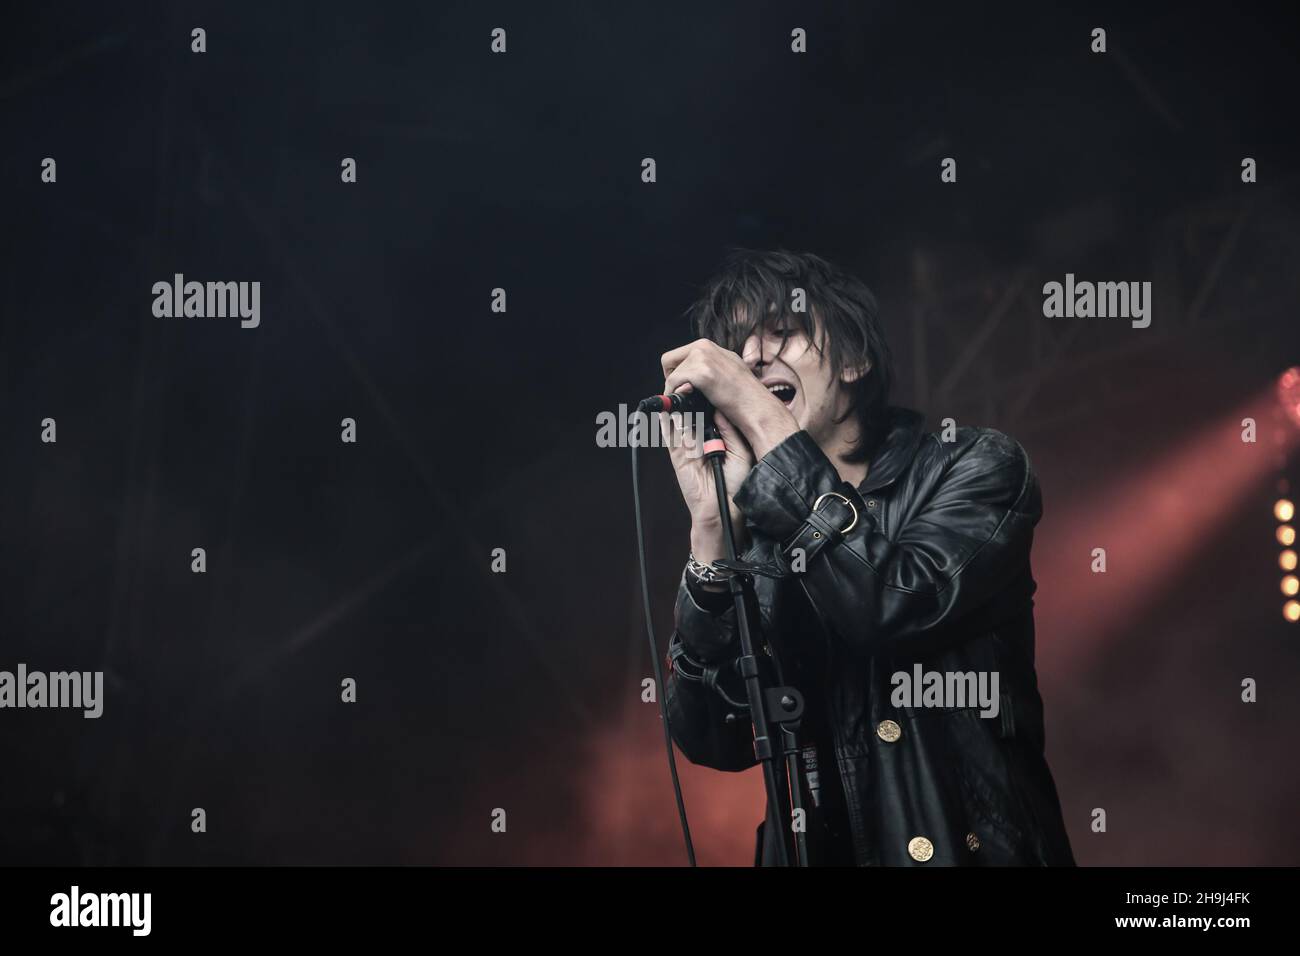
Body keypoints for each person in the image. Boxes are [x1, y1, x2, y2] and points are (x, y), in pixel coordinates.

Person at [660, 248, 1075, 866]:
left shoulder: (973, 466)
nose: (751, 359)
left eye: (784, 331)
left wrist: (761, 421)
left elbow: (896, 602)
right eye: (738, 345)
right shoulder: (761, 534)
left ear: (856, 359)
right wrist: (714, 535)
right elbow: (711, 738)